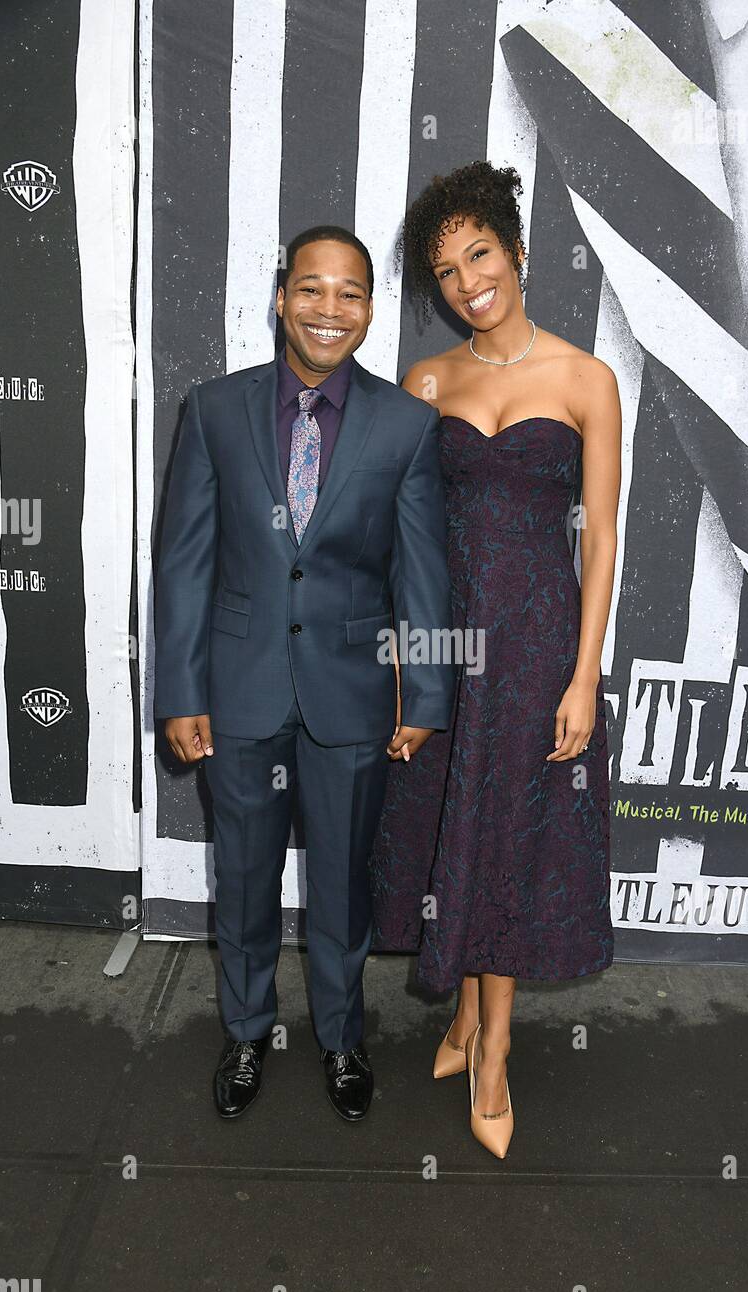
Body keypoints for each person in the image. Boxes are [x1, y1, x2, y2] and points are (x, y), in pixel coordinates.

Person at [154, 226, 454, 1124]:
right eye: (314, 290)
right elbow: (185, 565)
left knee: (343, 884)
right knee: (241, 879)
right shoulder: (213, 410)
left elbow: (422, 577)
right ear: (282, 297)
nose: (332, 310)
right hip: (240, 693)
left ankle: (341, 1036)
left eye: (352, 293)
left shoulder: (407, 426)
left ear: (370, 308)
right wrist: (181, 690)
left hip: (352, 700)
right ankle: (246, 1033)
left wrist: (428, 691)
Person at [370, 162, 621, 1158]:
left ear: (515, 252)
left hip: (536, 645)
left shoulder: (583, 378)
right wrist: (404, 668)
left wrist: (584, 673)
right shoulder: (424, 384)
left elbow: (598, 536)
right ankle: (467, 1014)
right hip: (448, 641)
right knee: (453, 826)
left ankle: (492, 1053)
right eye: (443, 268)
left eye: (478, 253)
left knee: (510, 837)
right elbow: (399, 539)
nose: (465, 279)